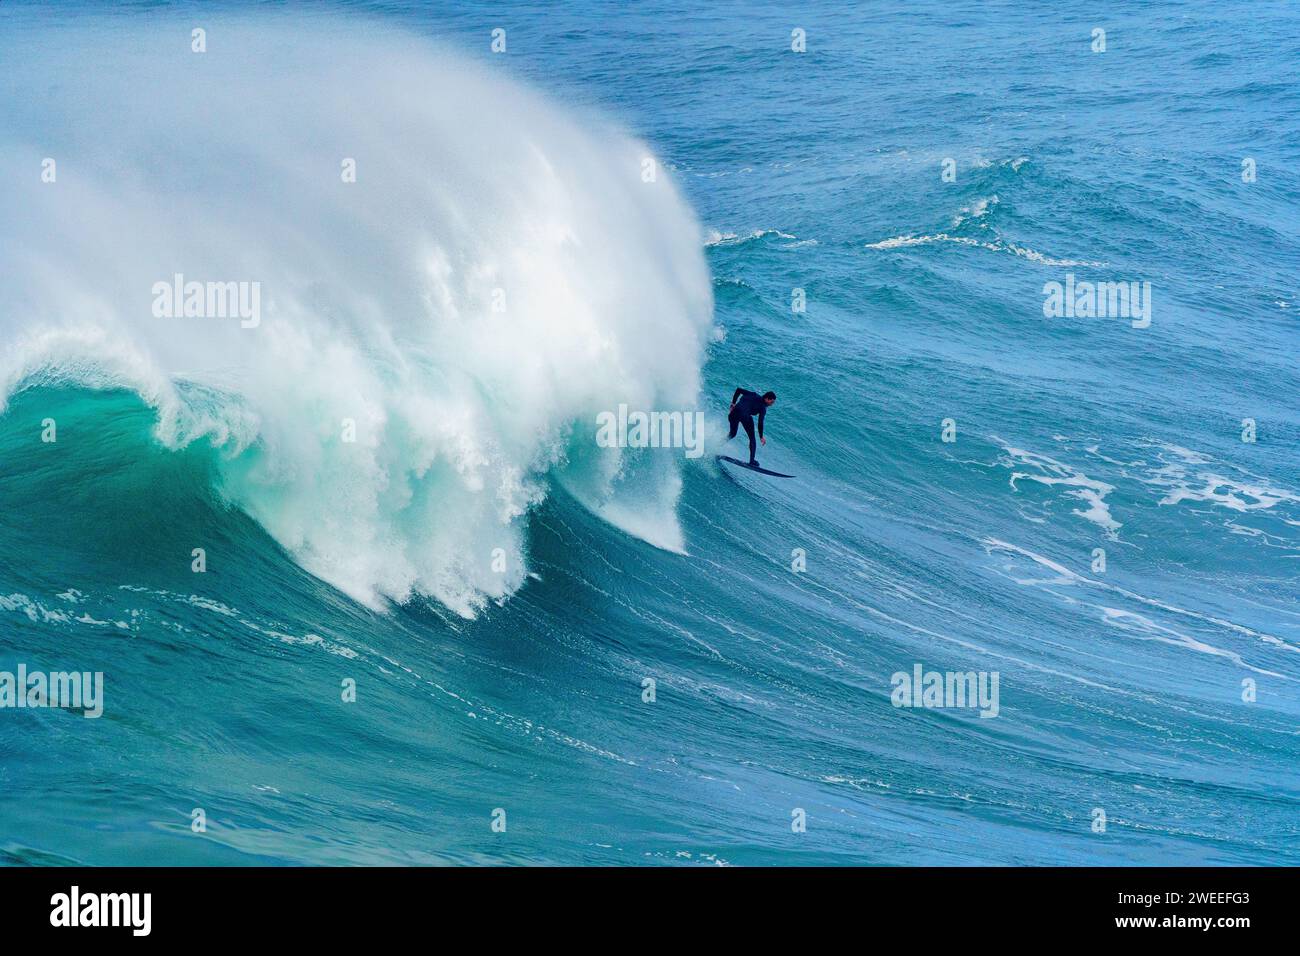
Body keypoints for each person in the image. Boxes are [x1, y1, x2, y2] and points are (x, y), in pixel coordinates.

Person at [728, 388, 776, 466]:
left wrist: (733, 403)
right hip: (745, 416)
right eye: (771, 402)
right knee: (752, 438)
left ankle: (718, 444)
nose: (771, 404)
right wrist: (761, 436)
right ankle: (752, 460)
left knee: (732, 434)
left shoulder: (752, 394)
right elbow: (760, 422)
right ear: (767, 399)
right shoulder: (763, 408)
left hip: (734, 413)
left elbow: (738, 390)